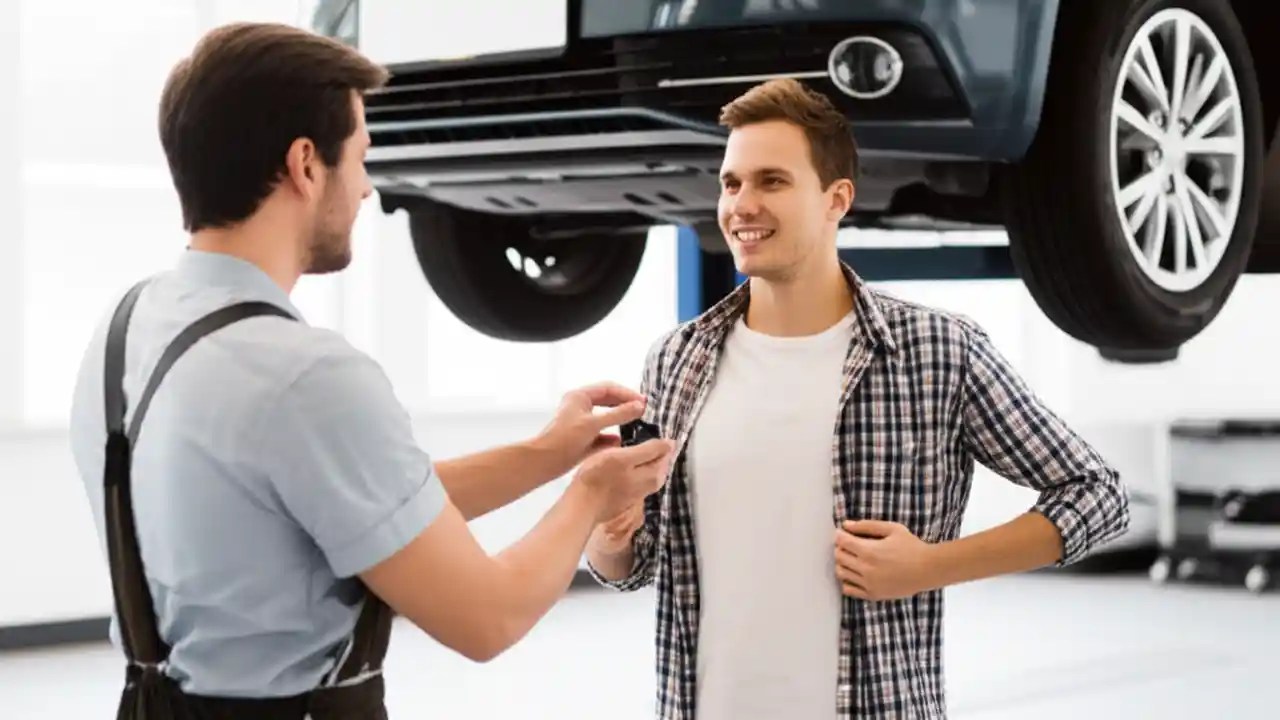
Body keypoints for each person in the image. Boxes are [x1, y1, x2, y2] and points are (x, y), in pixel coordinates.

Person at [67, 22, 675, 719]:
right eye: (360, 156)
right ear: (304, 164)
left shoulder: (126, 325)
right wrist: (590, 496)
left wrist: (546, 456)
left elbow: (354, 502)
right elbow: (489, 618)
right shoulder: (306, 376)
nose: (365, 189)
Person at [584, 78, 1131, 719]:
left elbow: (1097, 495)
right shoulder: (677, 359)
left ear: (835, 199)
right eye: (731, 184)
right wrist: (609, 533)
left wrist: (931, 566)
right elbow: (633, 566)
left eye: (772, 181)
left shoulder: (936, 351)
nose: (741, 205)